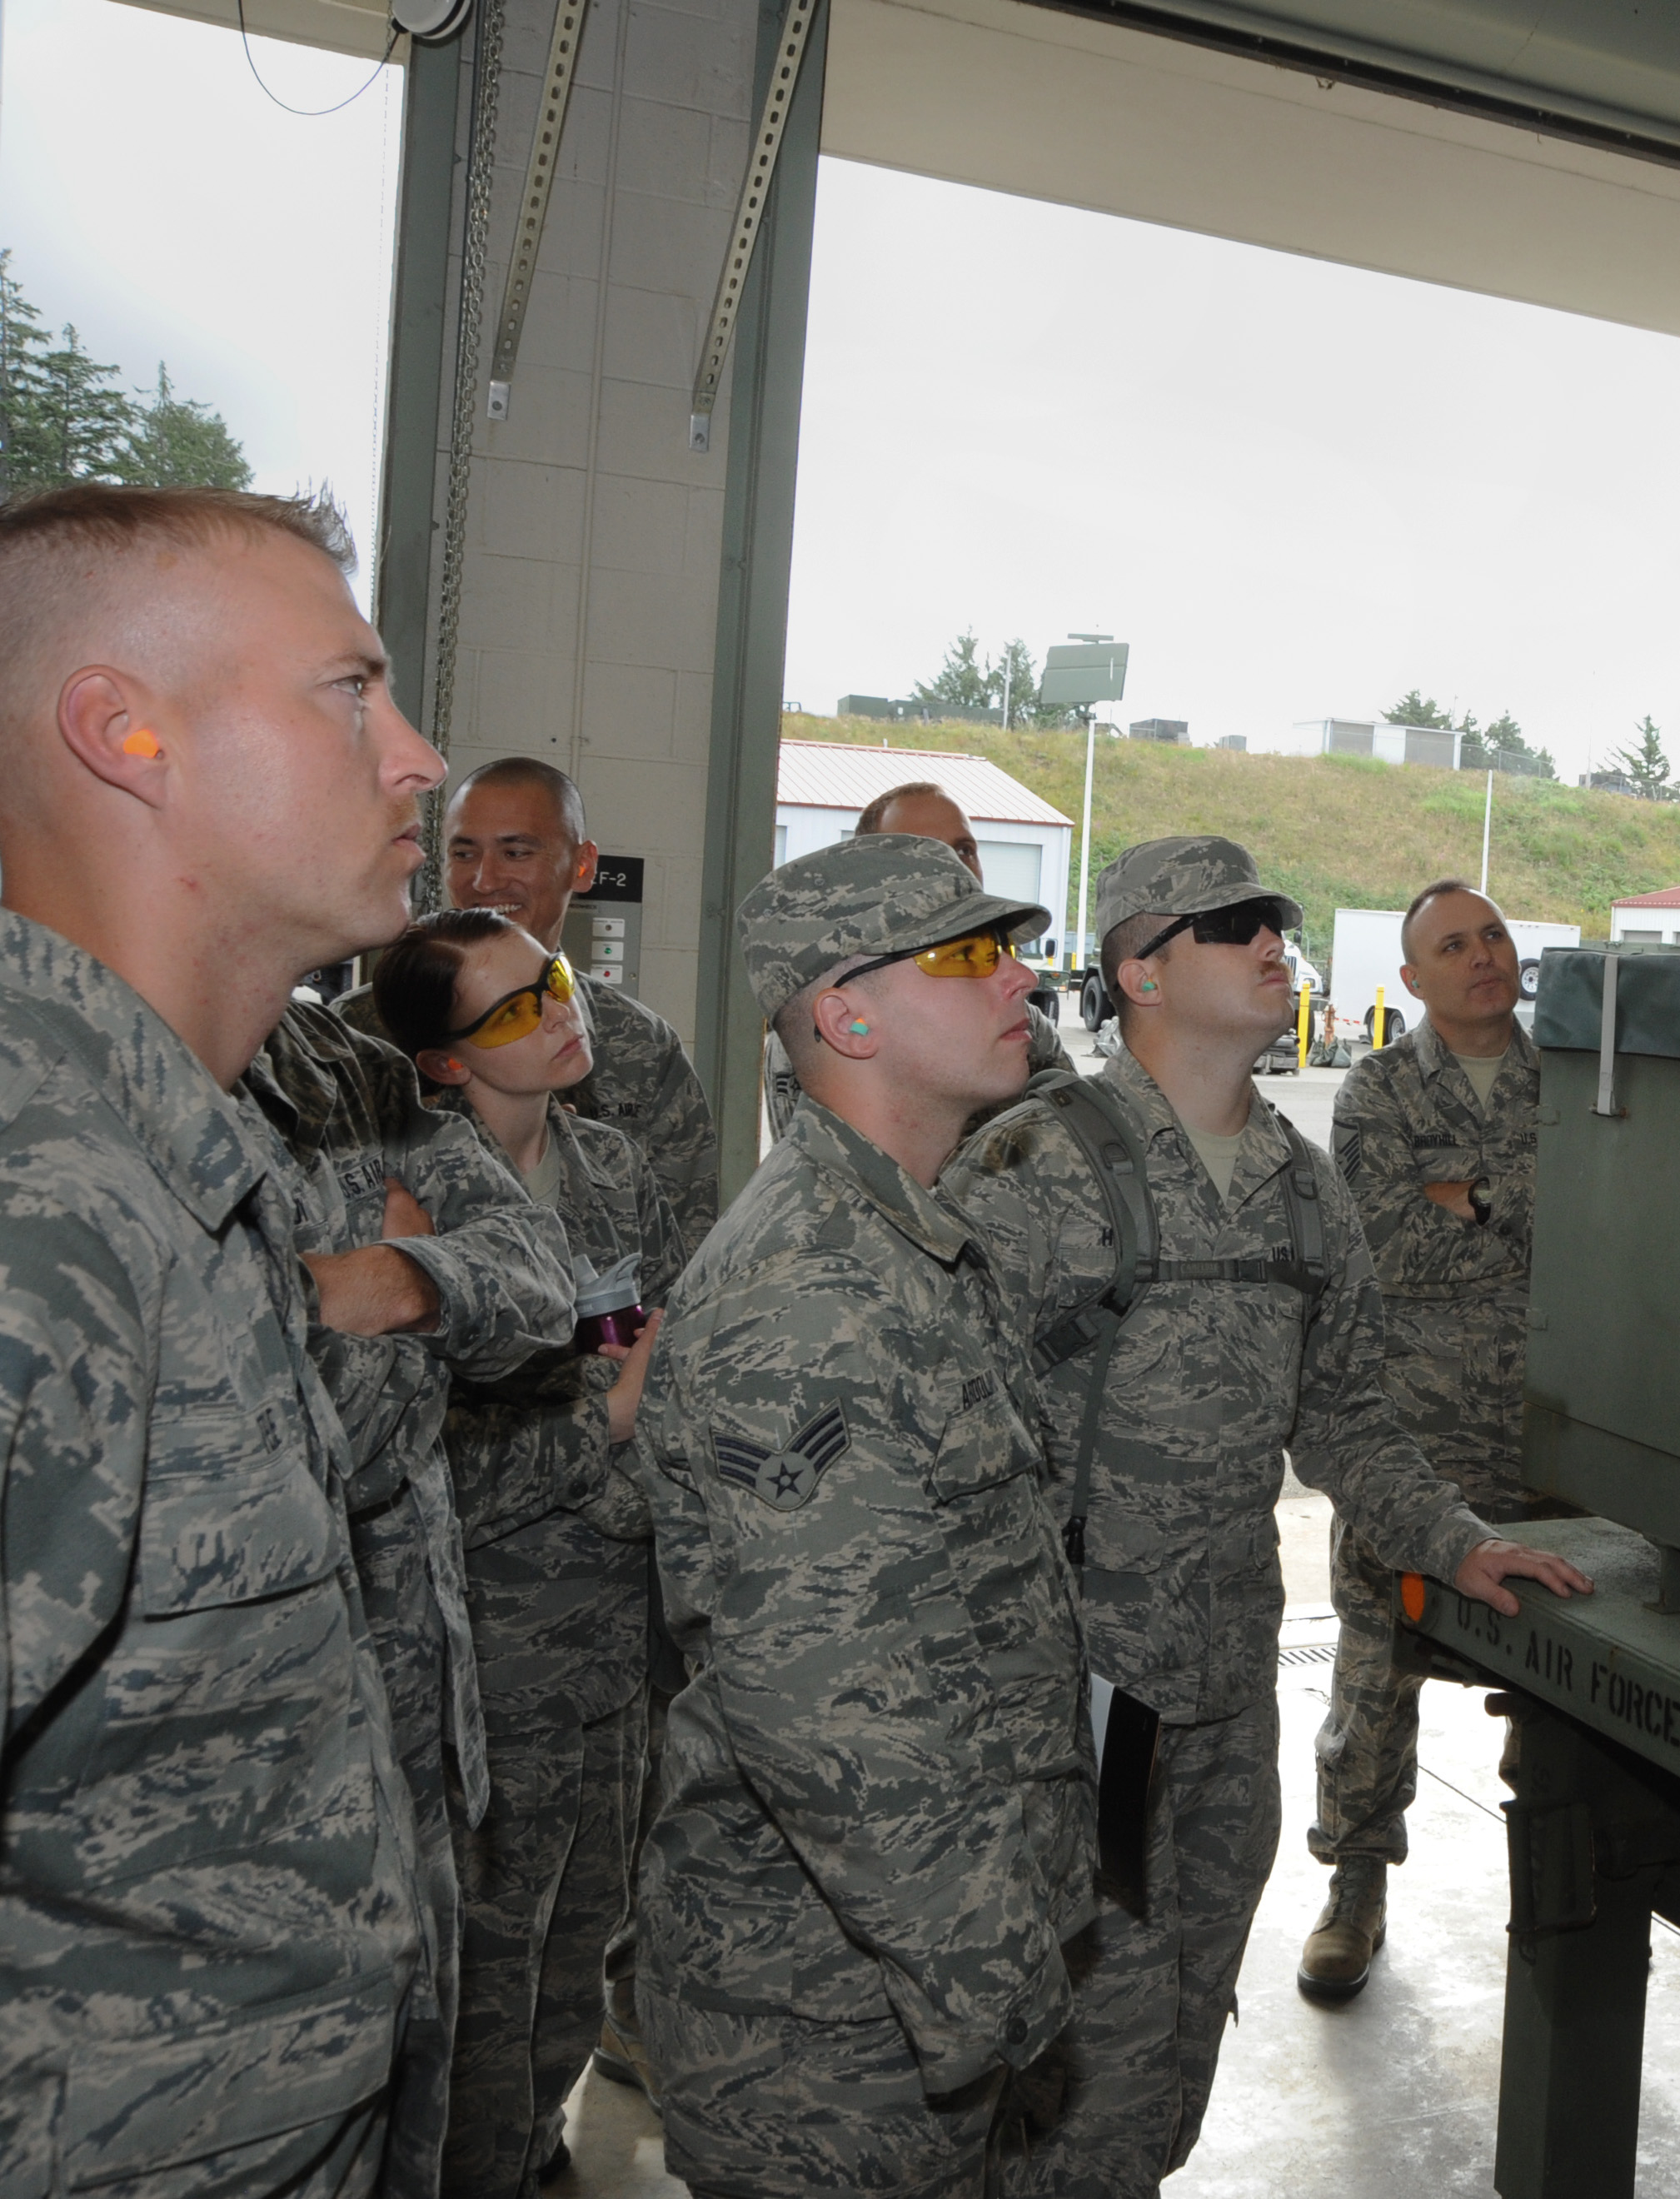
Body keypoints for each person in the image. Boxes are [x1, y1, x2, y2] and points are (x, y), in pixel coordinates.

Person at [945, 835, 1591, 2197]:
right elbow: (928, 1430)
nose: (1271, 939)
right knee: (1084, 2026)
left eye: (1276, 919)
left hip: (1230, 1685)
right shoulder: (1032, 1167)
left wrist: (1459, 1542)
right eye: (1231, 921)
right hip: (1081, 1688)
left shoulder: (1300, 1187)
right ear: (1140, 969)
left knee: (1184, 2019)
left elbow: (1352, 1420)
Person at [0, 482, 438, 2192]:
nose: (414, 754)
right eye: (350, 692)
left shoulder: (175, 1164)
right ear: (124, 733)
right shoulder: (45, 1205)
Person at [632, 835, 1089, 2195]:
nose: (1018, 978)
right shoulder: (810, 1290)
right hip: (830, 2022)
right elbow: (824, 1693)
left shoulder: (914, 1235)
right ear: (844, 1013)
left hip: (908, 1974)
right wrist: (998, 1975)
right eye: (969, 954)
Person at [368, 910, 684, 2197]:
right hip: (487, 1669)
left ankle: (528, 2153)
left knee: (571, 1972)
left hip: (615, 1642)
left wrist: (621, 1409)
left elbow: (674, 1369)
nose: (556, 1012)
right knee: (481, 1994)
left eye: (551, 983)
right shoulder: (408, 1195)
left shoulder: (612, 1168)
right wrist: (606, 1413)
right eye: (508, 1011)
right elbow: (419, 1462)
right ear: (444, 1062)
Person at [242, 997, 576, 2199]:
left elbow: (538, 1278)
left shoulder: (345, 1064)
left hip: (411, 1756)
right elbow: (247, 1405)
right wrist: (414, 1301)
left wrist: (377, 1280)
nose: (414, 792)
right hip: (211, 1870)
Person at [1298, 878, 1553, 1997]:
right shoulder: (1377, 1093)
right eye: (1453, 945)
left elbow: (1623, 1228)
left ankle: (1556, 1880)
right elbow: (1393, 1250)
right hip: (1416, 1439)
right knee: (1374, 1673)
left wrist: (1472, 1191)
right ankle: (1355, 1882)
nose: (1482, 955)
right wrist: (1526, 1206)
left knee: (1565, 1684)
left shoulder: (1582, 1083)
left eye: (1492, 934)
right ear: (1413, 979)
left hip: (1558, 1447)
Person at [389, 756, 721, 1255]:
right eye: (463, 854)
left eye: (516, 853)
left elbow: (685, 1247)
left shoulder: (643, 1047)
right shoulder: (360, 1035)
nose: (484, 881)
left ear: (583, 866)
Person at [765, 780, 1068, 1134]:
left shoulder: (1022, 1024)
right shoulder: (826, 1026)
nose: (951, 867)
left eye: (964, 850)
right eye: (918, 851)